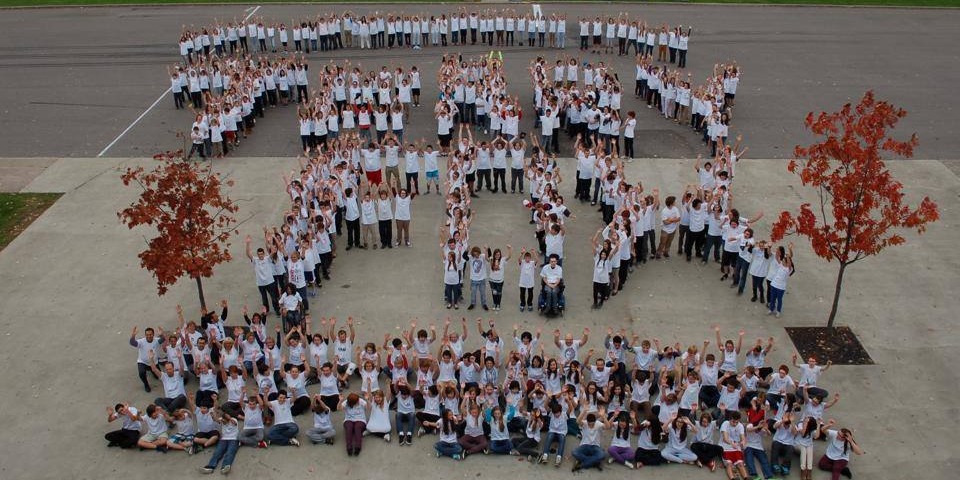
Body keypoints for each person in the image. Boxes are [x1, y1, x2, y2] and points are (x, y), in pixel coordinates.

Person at [246, 234, 280, 316]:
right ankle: (266, 311)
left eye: (262, 254)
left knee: (273, 297)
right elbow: (248, 254)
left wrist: (270, 242)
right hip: (261, 283)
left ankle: (277, 310)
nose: (260, 255)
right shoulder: (255, 260)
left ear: (264, 254)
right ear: (257, 254)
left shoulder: (267, 259)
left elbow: (273, 251)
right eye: (259, 254)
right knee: (264, 298)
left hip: (270, 282)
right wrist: (248, 244)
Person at [200, 408, 240, 474]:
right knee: (217, 452)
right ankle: (210, 467)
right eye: (222, 420)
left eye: (224, 420)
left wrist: (229, 418)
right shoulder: (222, 420)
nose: (222, 422)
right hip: (224, 439)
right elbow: (216, 419)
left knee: (230, 452)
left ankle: (224, 467)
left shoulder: (233, 420)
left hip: (233, 439)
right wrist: (213, 414)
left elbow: (234, 422)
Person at [130, 325, 165, 392]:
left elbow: (163, 339)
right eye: (147, 335)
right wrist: (133, 336)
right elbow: (132, 343)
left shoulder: (156, 341)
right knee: (141, 373)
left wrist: (161, 335)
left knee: (158, 376)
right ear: (145, 335)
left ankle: (152, 370)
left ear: (153, 334)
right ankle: (146, 384)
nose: (149, 336)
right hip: (143, 362)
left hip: (154, 362)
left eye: (150, 334)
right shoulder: (141, 342)